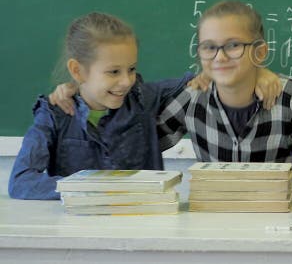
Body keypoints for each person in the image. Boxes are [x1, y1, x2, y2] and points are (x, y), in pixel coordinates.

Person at [8, 12, 192, 200]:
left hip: (140, 222)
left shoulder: (144, 99)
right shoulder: (55, 114)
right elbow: (21, 181)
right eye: (113, 72)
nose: (126, 81)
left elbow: (197, 83)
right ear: (77, 71)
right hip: (79, 225)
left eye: (131, 69)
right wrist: (91, 187)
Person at [156, 0, 292, 191]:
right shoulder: (193, 96)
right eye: (209, 47)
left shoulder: (287, 95)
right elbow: (144, 143)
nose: (220, 57)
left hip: (275, 214)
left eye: (233, 45)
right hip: (214, 215)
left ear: (259, 52)